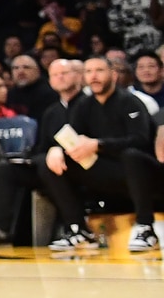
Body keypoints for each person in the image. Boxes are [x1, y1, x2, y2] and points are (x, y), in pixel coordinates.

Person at [37, 55, 163, 254]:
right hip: (108, 173)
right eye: (89, 72)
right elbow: (72, 136)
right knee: (50, 163)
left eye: (99, 71)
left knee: (131, 156)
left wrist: (98, 145)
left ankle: (146, 228)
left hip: (147, 174)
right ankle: (78, 229)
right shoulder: (84, 106)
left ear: (113, 75)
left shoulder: (130, 102)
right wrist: (57, 149)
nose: (93, 76)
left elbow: (140, 141)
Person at [0, 58, 83, 248]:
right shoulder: (52, 111)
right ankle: (1, 230)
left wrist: (58, 151)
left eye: (64, 73)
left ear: (78, 77)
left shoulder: (87, 105)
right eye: (55, 75)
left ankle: (76, 227)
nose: (60, 78)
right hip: (49, 165)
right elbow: (41, 145)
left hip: (79, 164)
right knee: (8, 168)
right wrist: (28, 159)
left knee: (45, 163)